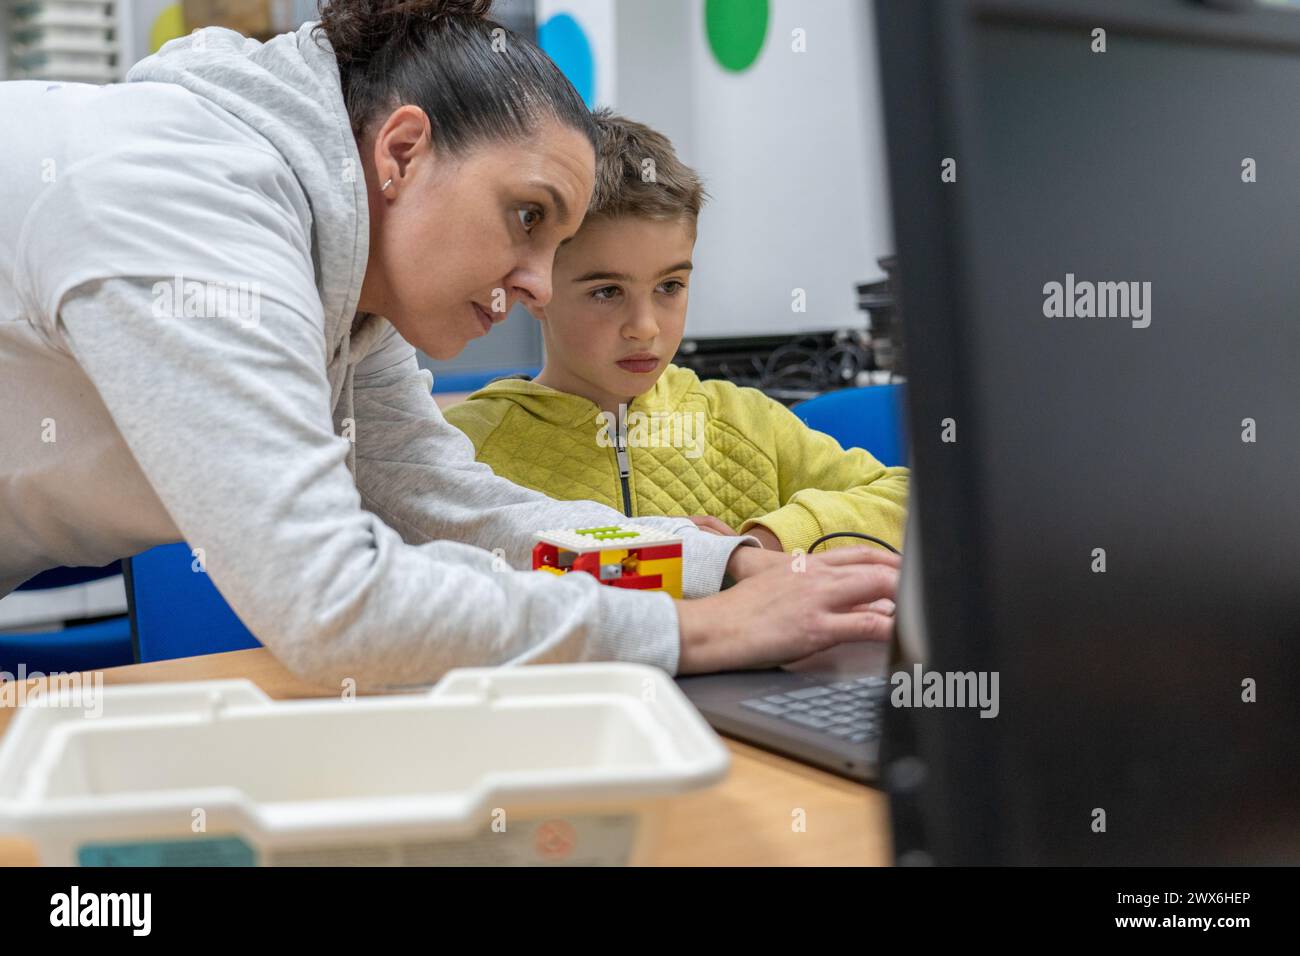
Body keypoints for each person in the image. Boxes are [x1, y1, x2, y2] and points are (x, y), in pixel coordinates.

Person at [0, 0, 898, 690]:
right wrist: (699, 633)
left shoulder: (342, 289)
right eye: (526, 217)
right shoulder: (187, 192)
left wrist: (723, 566)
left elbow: (465, 510)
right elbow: (331, 602)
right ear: (402, 152)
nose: (539, 286)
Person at [444, 109, 909, 559]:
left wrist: (769, 540)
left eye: (669, 286)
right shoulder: (463, 448)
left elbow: (907, 499)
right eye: (607, 291)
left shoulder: (745, 422)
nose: (645, 327)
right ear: (535, 285)